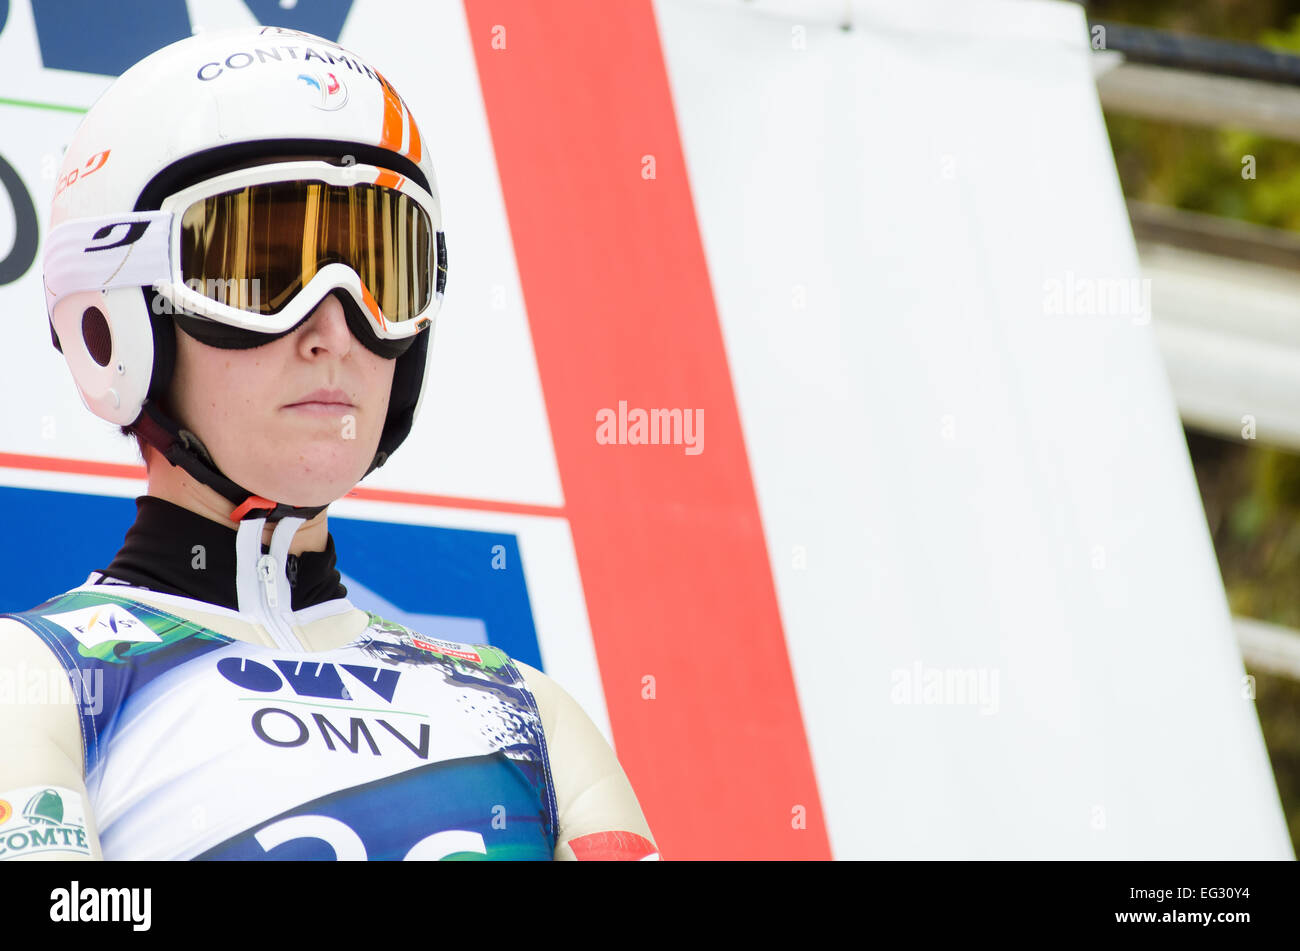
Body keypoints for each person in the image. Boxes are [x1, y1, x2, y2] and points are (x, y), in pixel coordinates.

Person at [0, 26, 658, 861]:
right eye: (259, 268)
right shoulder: (34, 680)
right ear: (114, 318)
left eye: (379, 270)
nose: (334, 331)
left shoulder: (531, 711)